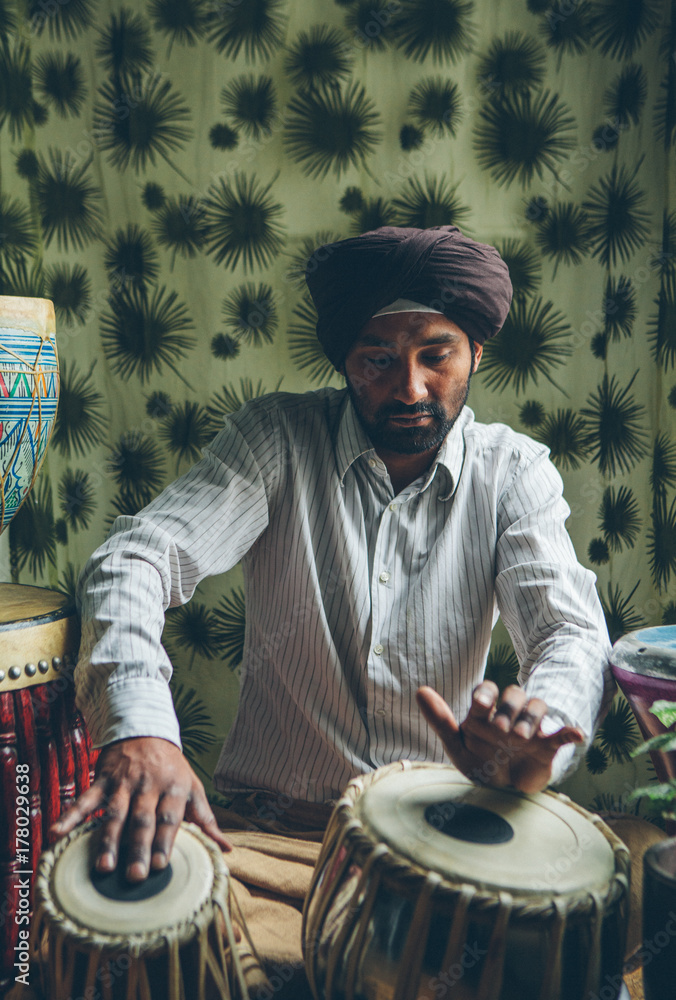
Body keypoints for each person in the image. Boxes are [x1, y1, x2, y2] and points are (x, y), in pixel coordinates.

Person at [56, 226, 613, 990]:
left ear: (476, 352)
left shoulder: (514, 473)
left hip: (440, 844)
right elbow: (135, 557)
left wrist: (540, 728)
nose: (410, 387)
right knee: (158, 961)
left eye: (435, 354)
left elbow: (571, 631)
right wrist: (142, 727)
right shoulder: (277, 439)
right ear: (346, 361)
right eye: (378, 358)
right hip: (266, 841)